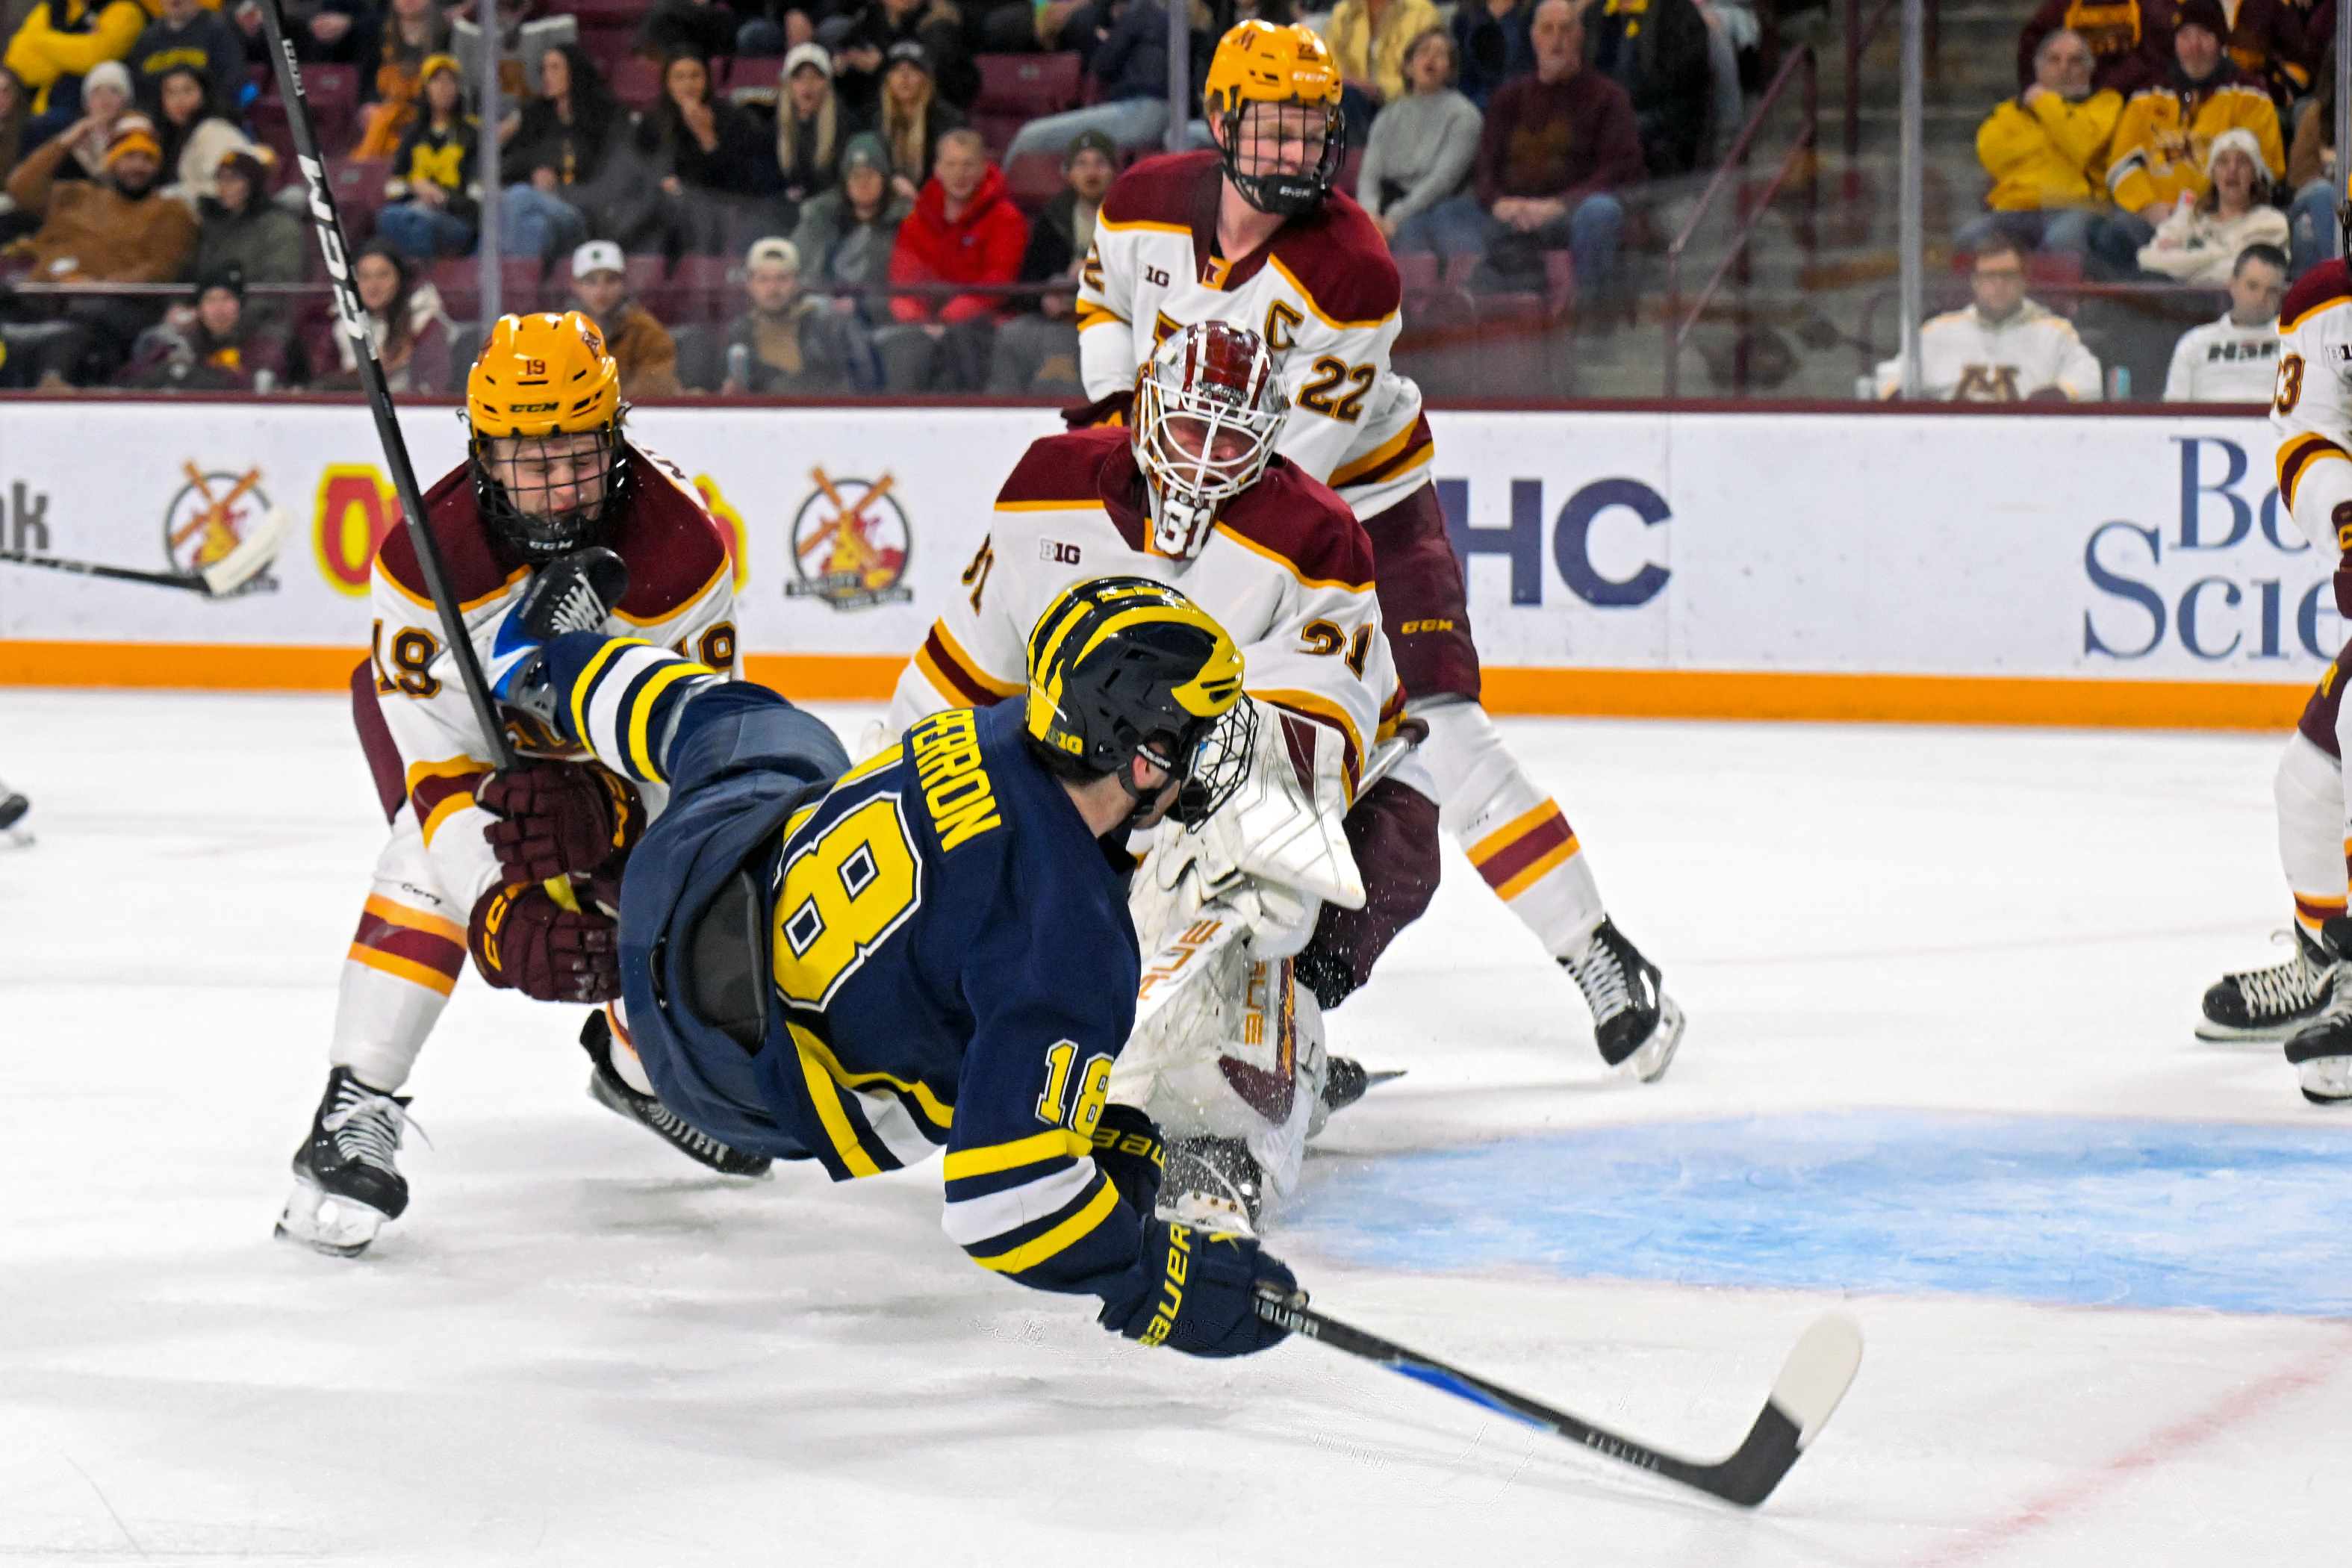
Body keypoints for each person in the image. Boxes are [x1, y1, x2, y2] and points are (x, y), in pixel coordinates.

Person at [1075, 20, 1686, 1083]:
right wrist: (1114, 444)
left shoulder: (1351, 269)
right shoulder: (1137, 202)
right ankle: (1235, 1011)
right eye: (1269, 129)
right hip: (1184, 504)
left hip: (1355, 517)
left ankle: (1597, 951)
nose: (1294, 151)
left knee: (1436, 738)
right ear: (1219, 123)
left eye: (1311, 129)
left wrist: (1166, 553)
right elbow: (1103, 312)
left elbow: (1283, 480)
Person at [477, 568, 1294, 1356]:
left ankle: (545, 663)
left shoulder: (999, 726)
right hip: (725, 1083)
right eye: (1196, 727)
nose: (1211, 751)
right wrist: (1150, 1275)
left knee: (750, 727)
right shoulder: (1070, 939)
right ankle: (636, 1052)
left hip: (691, 872)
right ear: (1137, 751)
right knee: (934, 1068)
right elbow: (1001, 1208)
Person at [889, 321, 1437, 1225]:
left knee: (1292, 890)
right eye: (1190, 433)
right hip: (1097, 788)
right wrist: (884, 802)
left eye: (1233, 443)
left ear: (1267, 442)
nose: (1207, 464)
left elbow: (1312, 736)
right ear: (1146, 414)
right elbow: (957, 683)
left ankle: (1242, 1112)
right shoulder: (1047, 489)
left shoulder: (1314, 533)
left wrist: (1238, 837)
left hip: (1294, 797)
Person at [276, 311, 748, 1259]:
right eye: (523, 460)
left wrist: (612, 813)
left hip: (607, 755)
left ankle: (635, 1055)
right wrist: (496, 908)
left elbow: (699, 753)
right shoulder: (423, 562)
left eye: (575, 455)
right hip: (474, 758)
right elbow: (440, 771)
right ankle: (355, 1101)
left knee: (718, 881)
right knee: (425, 862)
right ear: (481, 448)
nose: (553, 488)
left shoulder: (683, 551)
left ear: (615, 439)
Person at [2200, 243, 2352, 1104]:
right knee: (2309, 780)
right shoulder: (2327, 303)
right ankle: (2329, 961)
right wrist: (2348, 525)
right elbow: (2310, 437)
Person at [1390, 0, 1646, 316]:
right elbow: (1484, 168)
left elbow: (1622, 169)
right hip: (1509, 214)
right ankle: (1454, 311)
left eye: (1565, 30)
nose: (1556, 39)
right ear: (1534, 37)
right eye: (1547, 30)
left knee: (1601, 210)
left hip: (1567, 213)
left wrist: (1559, 206)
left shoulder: (1608, 96)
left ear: (1579, 37)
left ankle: (1587, 324)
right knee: (1437, 218)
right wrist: (1499, 203)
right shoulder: (1509, 97)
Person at [2, 115, 198, 385]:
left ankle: (54, 386)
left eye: (147, 159)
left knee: (85, 319)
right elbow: (19, 187)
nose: (137, 166)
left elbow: (160, 269)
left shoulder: (170, 211)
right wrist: (65, 141)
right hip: (41, 293)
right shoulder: (75, 195)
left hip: (112, 306)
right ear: (112, 160)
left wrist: (98, 285)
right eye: (129, 156)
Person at [2095, 0, 2284, 276]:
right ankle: (2136, 311)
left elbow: (2267, 166)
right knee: (2114, 234)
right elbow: (2122, 164)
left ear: (2220, 41)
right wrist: (2149, 208)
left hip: (2222, 218)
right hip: (2154, 215)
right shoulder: (2147, 95)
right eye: (2185, 36)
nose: (2194, 45)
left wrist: (2209, 211)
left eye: (2205, 35)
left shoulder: (2250, 94)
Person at [879, 126, 1024, 390]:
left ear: (983, 168)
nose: (960, 174)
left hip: (983, 325)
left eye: (968, 165)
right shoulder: (917, 221)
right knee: (898, 346)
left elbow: (997, 283)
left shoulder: (1006, 218)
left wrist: (946, 320)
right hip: (925, 325)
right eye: (952, 164)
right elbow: (903, 285)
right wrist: (920, 322)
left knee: (959, 345)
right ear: (938, 169)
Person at [1874, 231, 2102, 399]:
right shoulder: (1939, 332)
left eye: (2008, 276)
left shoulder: (2054, 333)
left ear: (2025, 280)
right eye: (1989, 276)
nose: (1998, 285)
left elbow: (2089, 380)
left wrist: (2061, 393)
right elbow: (1890, 376)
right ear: (1974, 282)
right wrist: (1898, 393)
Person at [1965, 29, 2122, 259]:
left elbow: (2084, 147)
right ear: (2038, 69)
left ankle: (2074, 297)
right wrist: (2061, 136)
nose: (2064, 68)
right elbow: (1992, 155)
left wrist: (2044, 102)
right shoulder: (2009, 111)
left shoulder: (2106, 103)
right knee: (1970, 239)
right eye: (2054, 60)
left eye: (2075, 61)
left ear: (2090, 69)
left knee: (2062, 239)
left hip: (2077, 207)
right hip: (2015, 209)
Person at [989, 127, 1113, 395]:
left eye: (1100, 163)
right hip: (1058, 320)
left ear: (1114, 172)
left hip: (1112, 318)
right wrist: (1045, 300)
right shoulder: (1052, 220)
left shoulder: (1133, 222)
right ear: (1069, 173)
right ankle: (1001, 413)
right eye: (1082, 164)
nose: (1091, 173)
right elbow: (1026, 284)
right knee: (1011, 335)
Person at [632, 48, 783, 258]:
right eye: (679, 77)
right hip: (665, 202)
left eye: (696, 76)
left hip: (716, 201)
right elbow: (638, 166)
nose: (688, 85)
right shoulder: (653, 120)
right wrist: (660, 181)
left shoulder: (732, 118)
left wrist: (707, 136)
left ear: (707, 80)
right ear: (667, 83)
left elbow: (741, 181)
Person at [1003, 0, 1174, 164]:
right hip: (1171, 116)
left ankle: (994, 190)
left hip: (1143, 112)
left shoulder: (1143, 9)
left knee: (1030, 137)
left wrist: (1105, 35)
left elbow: (1104, 64)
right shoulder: (1183, 14)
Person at [500, 44, 624, 262]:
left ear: (574, 72)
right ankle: (523, 289)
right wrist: (537, 173)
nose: (548, 76)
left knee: (518, 197)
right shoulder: (535, 114)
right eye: (544, 69)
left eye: (555, 68)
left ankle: (501, 287)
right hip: (542, 208)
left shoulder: (606, 115)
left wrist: (559, 189)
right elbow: (511, 165)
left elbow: (614, 178)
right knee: (535, 227)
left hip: (584, 213)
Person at [1358, 27, 1480, 244]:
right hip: (1389, 203)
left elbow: (1443, 181)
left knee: (1410, 236)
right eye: (1423, 52)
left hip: (1440, 205)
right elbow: (1369, 174)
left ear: (1450, 71)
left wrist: (1396, 217)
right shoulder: (1388, 115)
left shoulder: (1464, 114)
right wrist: (1370, 216)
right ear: (1408, 67)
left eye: (1440, 54)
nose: (1431, 58)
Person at [2135, 126, 2289, 284]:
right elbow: (2148, 260)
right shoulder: (2193, 221)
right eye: (2223, 162)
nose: (2232, 170)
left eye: (2242, 162)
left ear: (2255, 175)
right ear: (2213, 174)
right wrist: (2222, 254)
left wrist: (2183, 252)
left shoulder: (2271, 223)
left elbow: (2240, 275)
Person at [1584, 0, 1711, 178]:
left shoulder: (1677, 12)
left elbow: (1682, 84)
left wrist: (1620, 111)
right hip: (1603, 118)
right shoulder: (1593, 14)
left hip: (1659, 120)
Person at [116, 261, 292, 390]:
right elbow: (130, 377)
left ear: (240, 306)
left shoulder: (260, 343)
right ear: (199, 309)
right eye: (211, 300)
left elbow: (263, 384)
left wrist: (203, 374)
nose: (219, 309)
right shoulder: (182, 341)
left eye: (227, 299)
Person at [721, 234, 853, 391]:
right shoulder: (740, 332)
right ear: (750, 285)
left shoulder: (824, 325)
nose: (773, 288)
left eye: (782, 279)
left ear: (797, 283)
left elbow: (844, 383)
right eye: (763, 279)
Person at [321, 240, 455, 393]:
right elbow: (322, 383)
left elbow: (435, 386)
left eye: (383, 275)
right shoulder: (339, 325)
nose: (373, 286)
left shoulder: (423, 324)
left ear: (400, 278)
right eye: (364, 277)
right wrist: (381, 369)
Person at [2162, 241, 2287, 399]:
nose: (2261, 298)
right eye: (2253, 287)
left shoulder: (2297, 343)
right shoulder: (2195, 342)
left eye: (2272, 291)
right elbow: (2174, 410)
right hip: (2206, 423)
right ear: (2233, 285)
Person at [567, 238, 685, 398]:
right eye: (591, 281)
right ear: (575, 285)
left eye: (611, 280)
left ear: (623, 283)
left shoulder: (647, 331)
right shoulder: (562, 332)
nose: (601, 290)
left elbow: (656, 384)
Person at [4, 0, 147, 129]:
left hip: (100, 118)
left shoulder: (127, 10)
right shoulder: (52, 8)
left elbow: (93, 56)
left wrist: (38, 42)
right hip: (44, 113)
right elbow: (16, 64)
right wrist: (77, 47)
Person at [1325, 0, 1443, 145]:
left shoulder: (1423, 13)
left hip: (1404, 104)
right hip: (1349, 100)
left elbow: (1428, 75)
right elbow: (1329, 67)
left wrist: (1379, 89)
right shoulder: (1343, 12)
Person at [833, 0, 969, 119]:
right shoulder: (870, 17)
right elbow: (846, 54)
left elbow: (945, 85)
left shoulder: (937, 27)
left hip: (925, 115)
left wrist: (881, 67)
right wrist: (843, 66)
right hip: (873, 112)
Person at [355, 0, 454, 161]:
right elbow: (368, 80)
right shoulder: (377, 33)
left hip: (430, 123)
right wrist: (369, 105)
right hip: (384, 121)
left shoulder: (450, 35)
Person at [196, 146, 307, 289]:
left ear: (253, 183)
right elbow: (200, 274)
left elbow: (279, 283)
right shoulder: (214, 225)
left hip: (257, 307)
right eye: (220, 178)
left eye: (233, 179)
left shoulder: (279, 227)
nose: (224, 186)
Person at [2016, 0, 2171, 96]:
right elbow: (2032, 44)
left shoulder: (2149, 6)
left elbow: (2161, 58)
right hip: (2075, 106)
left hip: (2132, 104)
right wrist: (2033, 92)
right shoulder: (2062, 7)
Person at [873, 40, 960, 203]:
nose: (904, 77)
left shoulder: (947, 120)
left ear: (926, 78)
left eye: (913, 70)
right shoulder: (878, 119)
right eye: (897, 70)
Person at [773, 40, 850, 224]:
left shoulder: (845, 124)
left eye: (816, 76)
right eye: (799, 77)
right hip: (781, 212)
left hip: (828, 215)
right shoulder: (773, 125)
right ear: (788, 83)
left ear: (828, 82)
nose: (808, 85)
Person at [128, 0, 245, 119]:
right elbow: (138, 90)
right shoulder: (147, 40)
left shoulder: (219, 30)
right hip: (159, 124)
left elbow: (231, 80)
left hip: (210, 119)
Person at [152, 64, 243, 208]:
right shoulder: (166, 138)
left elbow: (234, 185)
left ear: (204, 94)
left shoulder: (215, 131)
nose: (179, 100)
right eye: (171, 93)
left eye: (187, 90)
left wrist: (174, 195)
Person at [1452, 0, 1535, 109]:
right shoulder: (1465, 17)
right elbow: (1464, 75)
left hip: (1523, 103)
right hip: (1477, 104)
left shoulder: (1533, 14)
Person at [61, 57, 130, 181]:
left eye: (114, 91)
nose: (105, 99)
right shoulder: (74, 140)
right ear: (87, 103)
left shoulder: (137, 133)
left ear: (125, 100)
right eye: (97, 92)